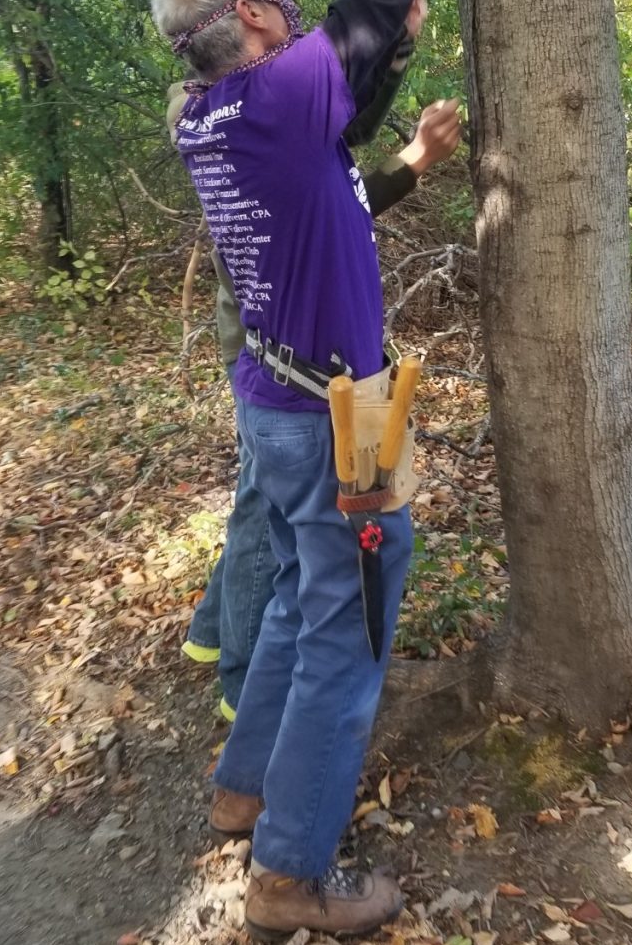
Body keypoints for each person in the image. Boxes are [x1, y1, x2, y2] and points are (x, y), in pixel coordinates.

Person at [151, 0, 434, 937]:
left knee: (306, 601)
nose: (285, 4)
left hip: (284, 401)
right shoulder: (270, 97)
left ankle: (242, 785)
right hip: (341, 411)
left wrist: (396, 32)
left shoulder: (215, 115)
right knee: (350, 624)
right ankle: (288, 877)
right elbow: (365, 0)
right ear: (249, 17)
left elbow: (349, 116)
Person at [173, 51, 460, 723]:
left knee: (257, 497)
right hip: (267, 354)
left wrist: (397, 50)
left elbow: (341, 140)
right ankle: (243, 691)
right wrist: (413, 159)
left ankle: (212, 635)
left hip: (276, 350)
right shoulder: (213, 110)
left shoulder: (242, 98)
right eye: (266, 6)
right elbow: (329, 187)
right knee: (258, 514)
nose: (281, 22)